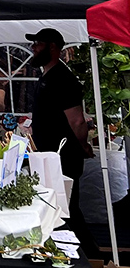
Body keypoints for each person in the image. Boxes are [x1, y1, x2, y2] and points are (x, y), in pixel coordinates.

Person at [26, 27, 94, 248]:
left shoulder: (63, 79)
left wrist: (83, 145)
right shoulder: (46, 75)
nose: (33, 48)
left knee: (67, 207)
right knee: (56, 206)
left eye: (38, 44)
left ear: (53, 47)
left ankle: (89, 254)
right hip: (49, 154)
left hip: (63, 156)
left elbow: (77, 120)